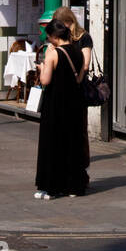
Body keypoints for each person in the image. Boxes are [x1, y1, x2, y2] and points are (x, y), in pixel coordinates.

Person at [34, 19, 89, 200]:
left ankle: (52, 185)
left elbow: (45, 81)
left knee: (53, 144)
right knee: (72, 144)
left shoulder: (53, 53)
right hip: (74, 104)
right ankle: (73, 186)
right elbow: (80, 78)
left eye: (49, 37)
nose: (49, 40)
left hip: (55, 104)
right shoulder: (78, 52)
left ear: (55, 37)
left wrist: (42, 67)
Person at [53, 5, 93, 76]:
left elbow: (85, 65)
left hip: (78, 82)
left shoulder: (84, 37)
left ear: (69, 21)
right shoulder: (60, 37)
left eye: (60, 24)